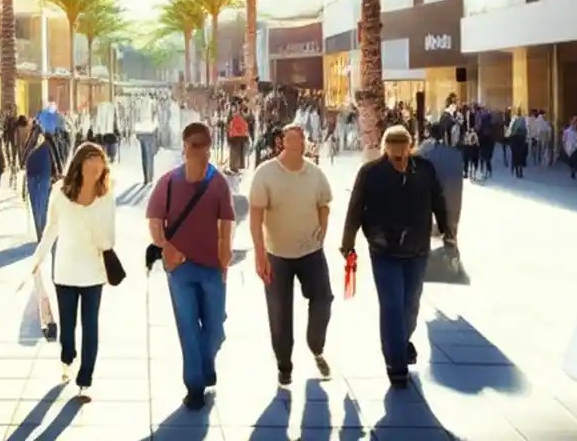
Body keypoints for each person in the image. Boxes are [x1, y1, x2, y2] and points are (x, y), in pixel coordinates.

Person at [341, 125, 454, 389]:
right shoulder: (371, 173)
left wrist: (449, 234)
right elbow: (355, 207)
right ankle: (396, 363)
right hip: (384, 250)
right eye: (392, 144)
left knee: (411, 305)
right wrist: (348, 243)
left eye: (402, 143)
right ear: (385, 147)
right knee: (392, 305)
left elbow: (438, 201)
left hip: (417, 249)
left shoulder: (424, 170)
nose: (398, 150)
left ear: (410, 145)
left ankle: (401, 342)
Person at [146, 122, 235, 411]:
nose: (198, 151)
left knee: (215, 326)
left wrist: (224, 260)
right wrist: (169, 251)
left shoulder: (218, 182)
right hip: (180, 269)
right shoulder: (168, 182)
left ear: (209, 147)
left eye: (203, 145)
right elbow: (156, 224)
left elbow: (227, 226)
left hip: (212, 267)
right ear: (184, 147)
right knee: (187, 326)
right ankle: (194, 386)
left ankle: (205, 364)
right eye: (192, 145)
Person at [249, 124, 334, 385]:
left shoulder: (314, 173)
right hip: (277, 253)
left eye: (299, 139)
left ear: (304, 143)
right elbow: (255, 216)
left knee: (323, 299)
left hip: (311, 251)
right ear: (282, 142)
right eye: (289, 139)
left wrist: (323, 227)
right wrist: (259, 253)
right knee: (280, 312)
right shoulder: (266, 174)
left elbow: (324, 203)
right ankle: (284, 364)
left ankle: (315, 343)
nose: (294, 144)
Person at [29, 142, 116, 397]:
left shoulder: (106, 197)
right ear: (79, 166)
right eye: (91, 168)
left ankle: (85, 377)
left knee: (90, 325)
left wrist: (94, 222)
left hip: (93, 271)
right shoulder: (59, 192)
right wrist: (39, 257)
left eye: (100, 171)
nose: (96, 175)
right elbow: (51, 228)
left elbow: (109, 239)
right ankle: (68, 357)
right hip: (65, 270)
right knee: (67, 327)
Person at [508, 108, 529, 178]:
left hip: (515, 138)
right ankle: (520, 172)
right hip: (522, 138)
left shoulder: (514, 119)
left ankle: (516, 170)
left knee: (515, 155)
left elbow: (510, 129)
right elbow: (526, 130)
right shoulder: (523, 120)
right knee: (521, 155)